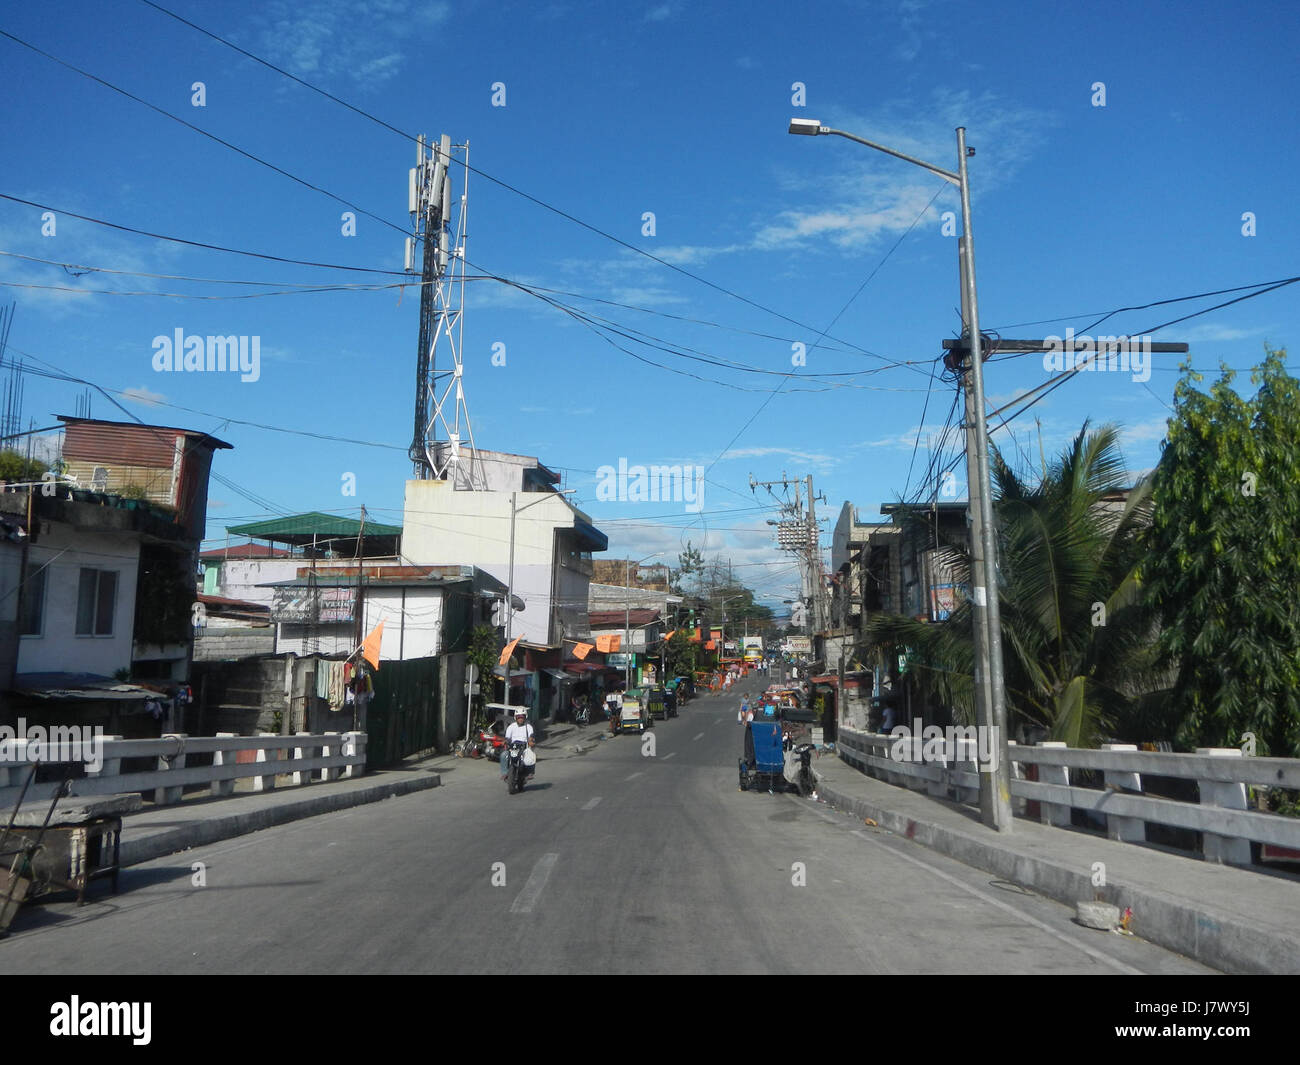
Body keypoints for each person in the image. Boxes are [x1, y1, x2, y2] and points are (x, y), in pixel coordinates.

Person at [501, 707, 535, 780]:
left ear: (525, 717)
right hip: (513, 746)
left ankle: (530, 773)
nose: (520, 719)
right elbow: (507, 738)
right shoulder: (511, 726)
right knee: (504, 755)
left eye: (522, 717)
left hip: (524, 746)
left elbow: (531, 736)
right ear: (515, 717)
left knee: (530, 755)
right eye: (518, 717)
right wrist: (505, 741)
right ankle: (504, 773)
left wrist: (530, 741)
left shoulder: (528, 727)